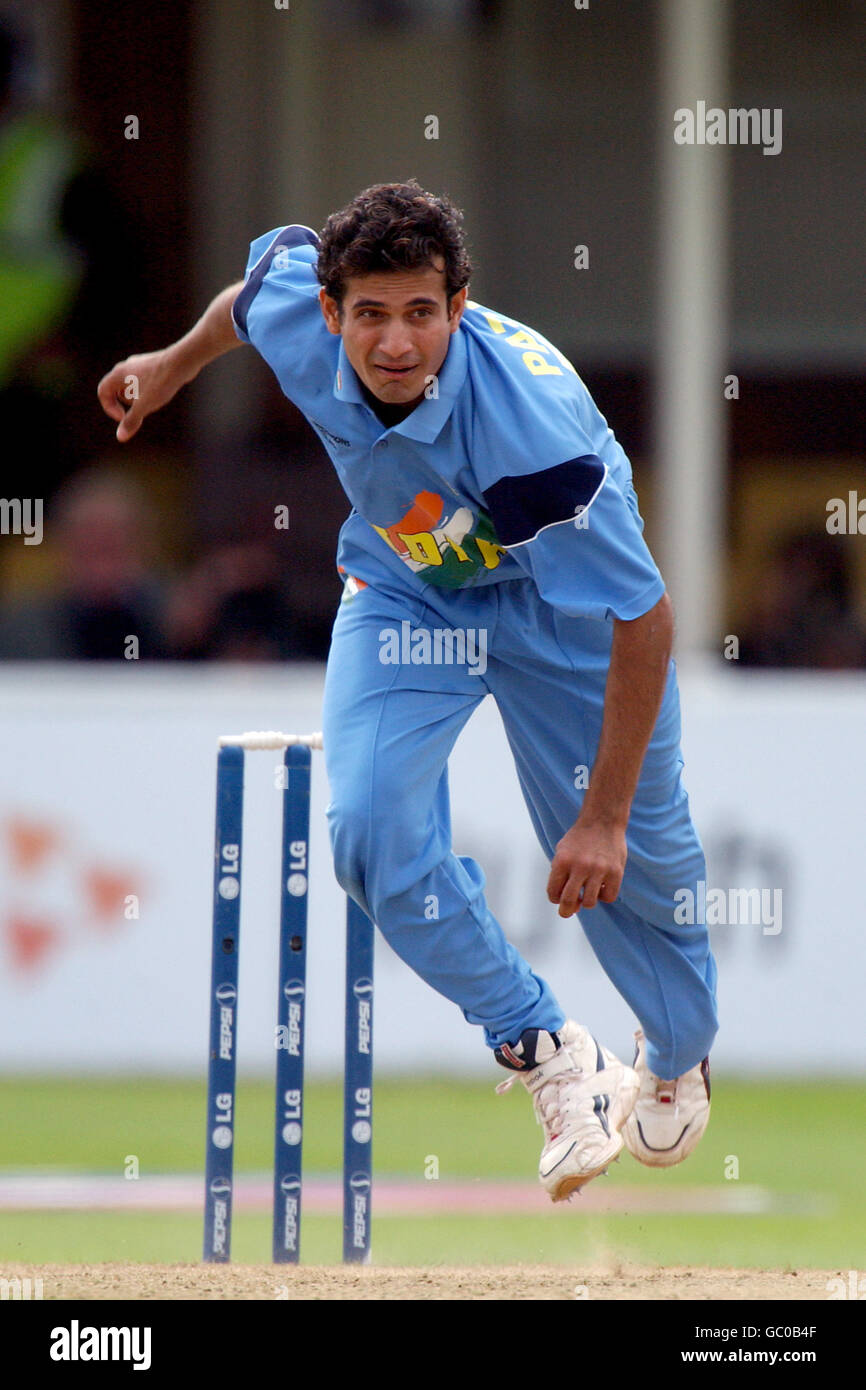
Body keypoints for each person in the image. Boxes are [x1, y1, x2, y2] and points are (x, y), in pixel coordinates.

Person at [99, 181, 717, 1199]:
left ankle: (681, 1045)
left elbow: (641, 618)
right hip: (409, 587)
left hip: (556, 608)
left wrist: (599, 817)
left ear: (458, 307)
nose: (395, 343)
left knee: (640, 866)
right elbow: (247, 298)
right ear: (332, 310)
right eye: (372, 314)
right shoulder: (300, 308)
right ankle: (547, 1050)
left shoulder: (536, 436)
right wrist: (168, 370)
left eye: (422, 313)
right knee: (371, 835)